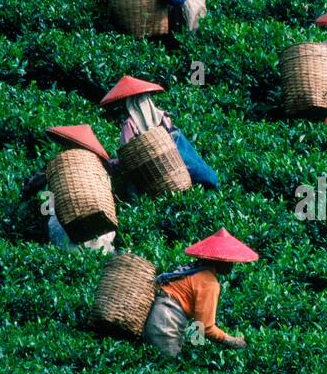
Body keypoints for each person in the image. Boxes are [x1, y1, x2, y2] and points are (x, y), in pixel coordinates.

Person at [143, 228, 256, 357]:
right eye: (228, 261)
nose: (231, 265)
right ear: (217, 260)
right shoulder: (209, 282)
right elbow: (206, 327)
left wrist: (196, 349)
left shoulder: (194, 268)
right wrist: (233, 341)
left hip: (159, 313)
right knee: (165, 367)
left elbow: (198, 323)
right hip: (166, 321)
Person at [99, 75, 220, 191]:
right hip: (178, 166)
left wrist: (110, 163)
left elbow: (127, 154)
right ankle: (211, 181)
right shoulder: (162, 116)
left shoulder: (130, 124)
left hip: (157, 173)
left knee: (131, 181)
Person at [29, 125, 116, 253]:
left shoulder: (62, 167)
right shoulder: (99, 169)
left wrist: (44, 212)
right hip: (102, 228)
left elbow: (44, 199)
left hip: (66, 229)